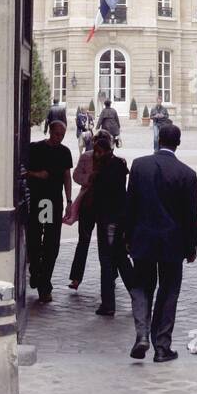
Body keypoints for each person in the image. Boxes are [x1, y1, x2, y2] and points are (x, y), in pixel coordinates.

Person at [124, 123, 197, 362]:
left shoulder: (139, 166)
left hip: (143, 239)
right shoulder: (187, 174)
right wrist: (191, 247)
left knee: (142, 288)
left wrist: (127, 237)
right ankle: (162, 346)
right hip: (173, 243)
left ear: (158, 140)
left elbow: (130, 206)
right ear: (178, 143)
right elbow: (190, 216)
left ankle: (142, 334)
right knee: (168, 293)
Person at [24, 119, 72, 303]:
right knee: (36, 238)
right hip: (40, 200)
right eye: (56, 134)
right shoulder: (36, 149)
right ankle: (36, 271)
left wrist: (69, 200)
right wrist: (38, 174)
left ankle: (45, 283)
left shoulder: (64, 152)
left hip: (54, 200)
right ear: (50, 132)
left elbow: (67, 176)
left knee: (52, 243)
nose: (59, 138)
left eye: (62, 135)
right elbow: (24, 172)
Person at [85, 131, 132, 316]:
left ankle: (108, 303)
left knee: (108, 260)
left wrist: (94, 176)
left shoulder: (105, 168)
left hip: (108, 220)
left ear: (103, 151)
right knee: (120, 259)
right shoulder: (119, 164)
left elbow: (102, 195)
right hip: (117, 218)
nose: (95, 155)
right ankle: (138, 295)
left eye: (97, 151)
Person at [66, 142, 95, 291]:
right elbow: (76, 175)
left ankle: (112, 275)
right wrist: (88, 179)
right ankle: (76, 278)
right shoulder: (86, 157)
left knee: (109, 245)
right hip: (87, 203)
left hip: (104, 206)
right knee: (83, 241)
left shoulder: (114, 160)